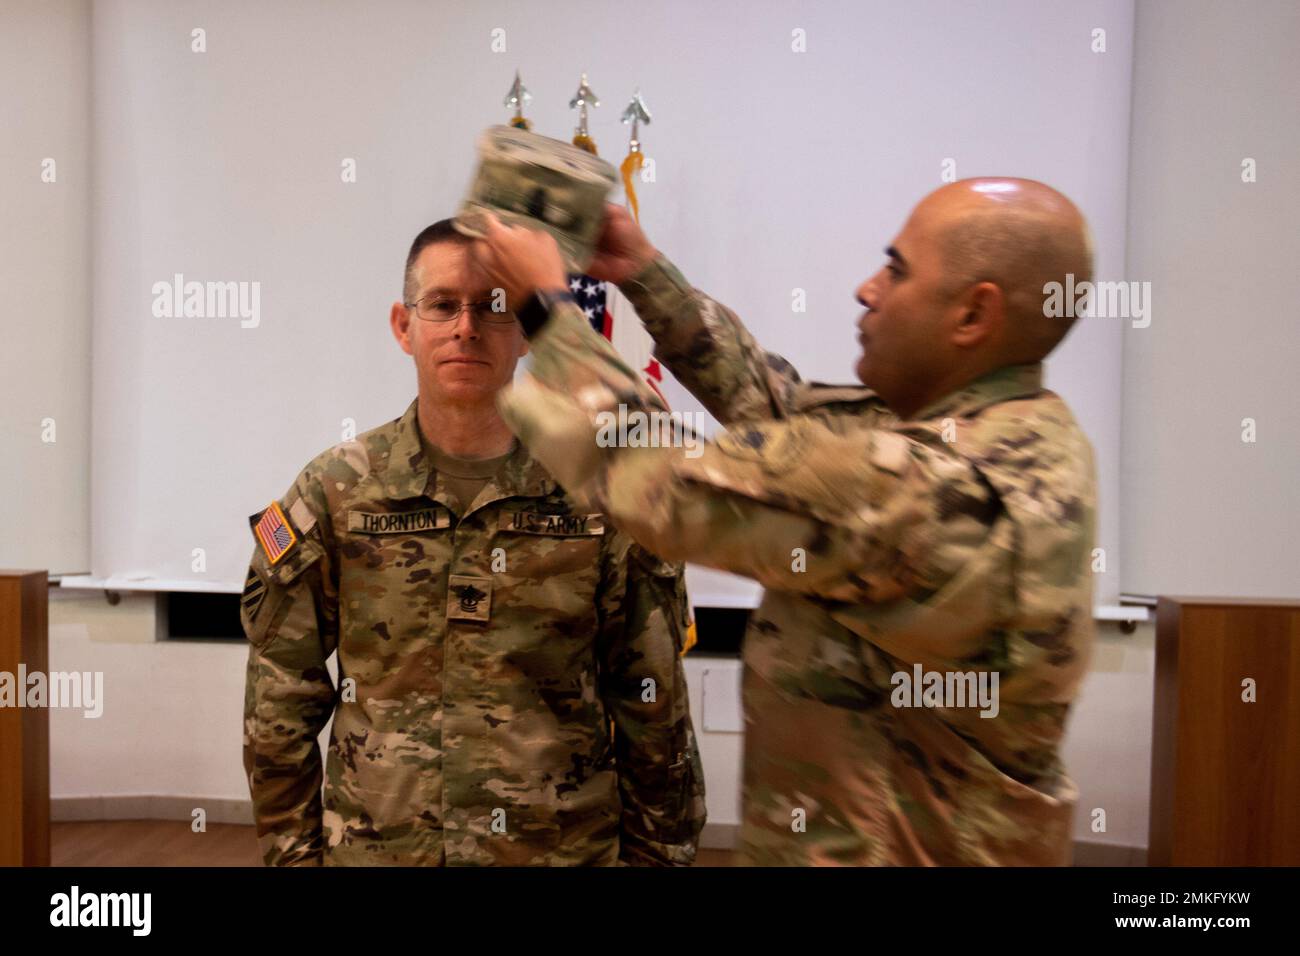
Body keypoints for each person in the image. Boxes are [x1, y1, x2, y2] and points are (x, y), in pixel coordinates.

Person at [471, 178, 1098, 865]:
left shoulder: (946, 492)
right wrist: (645, 274)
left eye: (897, 269)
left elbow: (655, 480)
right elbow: (780, 409)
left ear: (974, 315)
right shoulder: (1007, 431)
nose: (868, 288)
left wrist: (549, 311)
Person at [240, 219, 704, 866]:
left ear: (525, 331)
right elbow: (280, 707)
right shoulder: (334, 493)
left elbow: (653, 708)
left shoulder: (597, 494)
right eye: (442, 306)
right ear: (404, 328)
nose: (466, 327)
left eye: (493, 307)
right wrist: (294, 860)